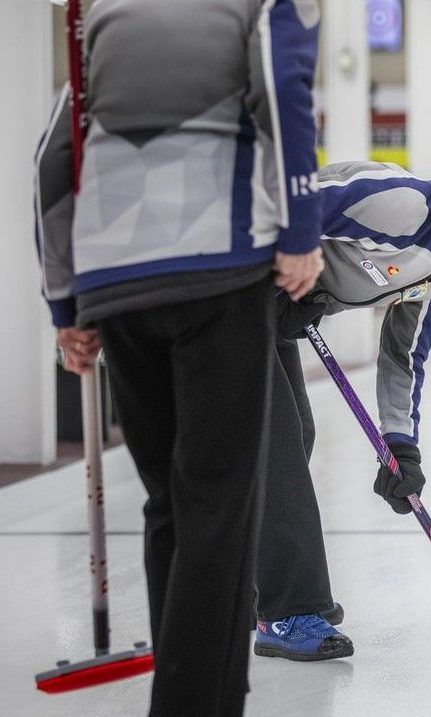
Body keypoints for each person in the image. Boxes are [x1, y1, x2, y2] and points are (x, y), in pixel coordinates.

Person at [34, 1, 324, 714]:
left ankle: (196, 690)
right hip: (215, 264)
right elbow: (285, 99)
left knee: (171, 501)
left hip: (114, 278)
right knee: (218, 505)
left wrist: (66, 303)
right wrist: (300, 229)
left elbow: (54, 156)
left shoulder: (101, 12)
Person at [252, 160, 431, 661]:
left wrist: (400, 446)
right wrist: (279, 271)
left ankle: (262, 590)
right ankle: (288, 609)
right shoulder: (404, 206)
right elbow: (287, 200)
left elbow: (403, 357)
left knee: (294, 434)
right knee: (276, 444)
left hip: (280, 306)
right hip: (242, 288)